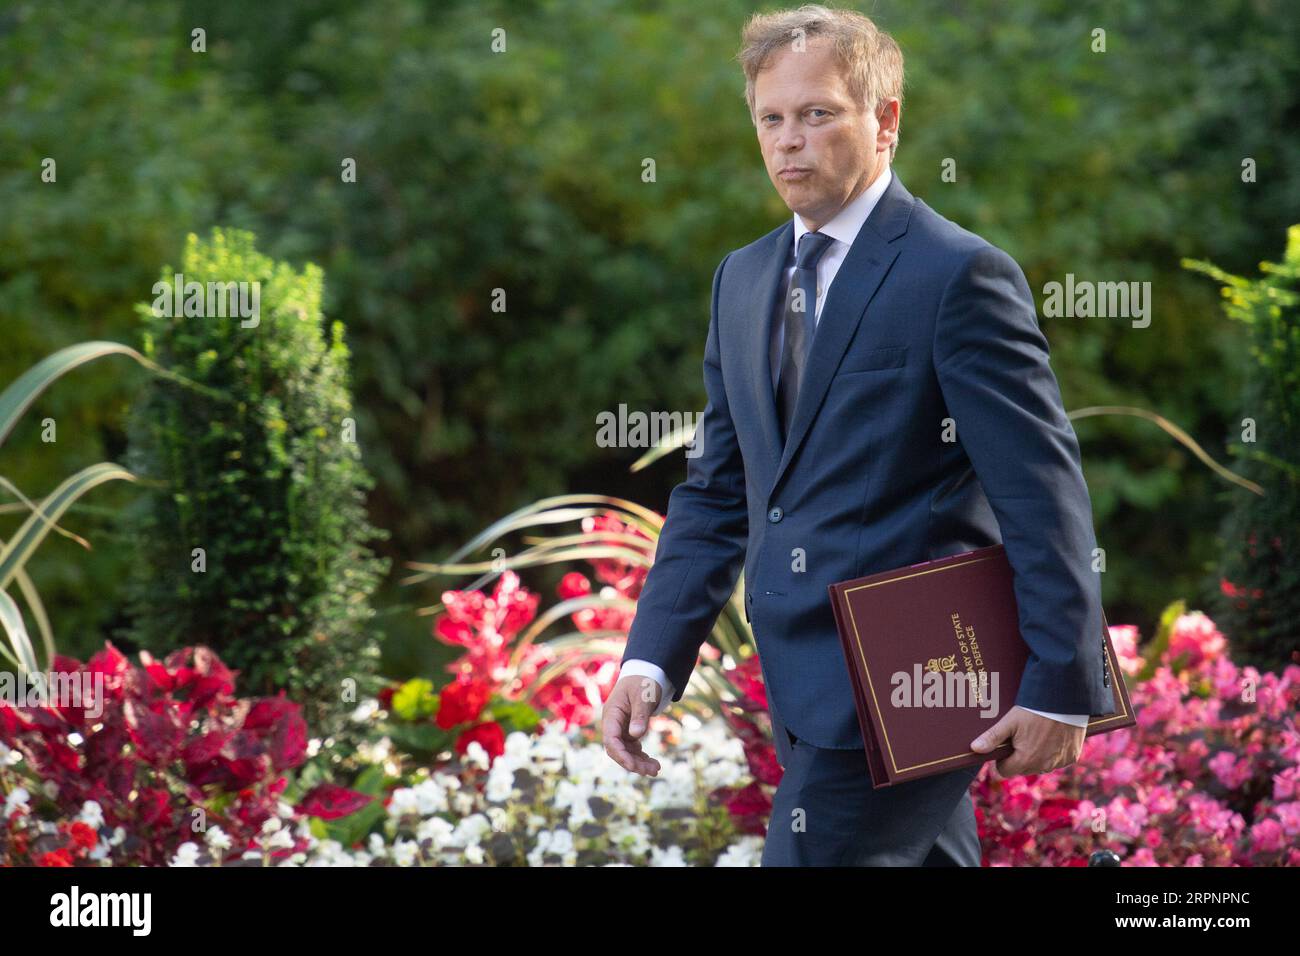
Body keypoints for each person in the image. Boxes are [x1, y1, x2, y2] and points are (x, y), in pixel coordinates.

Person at [601, 3, 1113, 866]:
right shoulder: (742, 279)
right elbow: (718, 490)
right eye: (771, 118)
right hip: (800, 686)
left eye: (817, 113)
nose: (788, 141)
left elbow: (1041, 489)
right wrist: (651, 659)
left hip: (917, 678)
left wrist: (1063, 685)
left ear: (886, 122)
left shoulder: (959, 275)